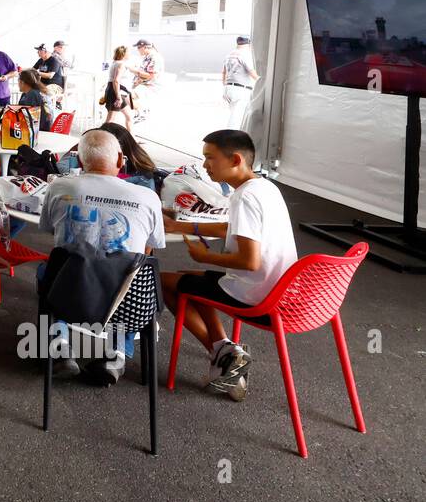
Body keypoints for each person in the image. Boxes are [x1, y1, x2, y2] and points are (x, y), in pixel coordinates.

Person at [161, 130, 297, 402]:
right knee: (192, 279)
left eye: (210, 158)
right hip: (281, 288)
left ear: (235, 159)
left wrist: (205, 256)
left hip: (257, 296)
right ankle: (224, 351)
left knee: (164, 280)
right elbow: (231, 228)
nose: (204, 166)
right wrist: (179, 225)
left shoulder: (243, 197)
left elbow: (249, 260)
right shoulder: (264, 187)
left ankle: (223, 352)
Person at [38, 129, 166, 383]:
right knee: (130, 276)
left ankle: (60, 344)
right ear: (120, 160)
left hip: (71, 292)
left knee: (51, 269)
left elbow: (49, 228)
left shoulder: (60, 186)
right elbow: (151, 247)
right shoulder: (147, 197)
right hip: (127, 302)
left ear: (80, 162)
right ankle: (116, 354)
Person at [222, 36, 259, 131]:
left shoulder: (229, 55)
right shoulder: (245, 55)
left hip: (229, 89)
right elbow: (252, 73)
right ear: (248, 44)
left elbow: (224, 73)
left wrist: (225, 88)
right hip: (240, 90)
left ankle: (231, 138)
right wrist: (262, 81)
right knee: (236, 120)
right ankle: (229, 141)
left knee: (235, 115)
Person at [103, 45, 137, 131]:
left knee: (129, 116)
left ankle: (132, 139)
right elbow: (116, 81)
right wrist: (118, 98)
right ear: (124, 54)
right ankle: (98, 138)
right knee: (110, 120)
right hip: (116, 93)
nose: (130, 54)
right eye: (128, 53)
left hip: (114, 91)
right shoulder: (120, 64)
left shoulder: (116, 63)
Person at [131, 39, 164, 121]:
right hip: (144, 84)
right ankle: (141, 112)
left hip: (150, 86)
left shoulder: (154, 58)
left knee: (126, 96)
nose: (137, 49)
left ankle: (142, 112)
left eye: (139, 47)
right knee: (126, 95)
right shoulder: (147, 57)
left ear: (145, 47)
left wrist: (134, 71)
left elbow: (151, 75)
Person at [15, 68, 53, 133]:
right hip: (43, 128)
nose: (17, 84)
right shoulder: (37, 91)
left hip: (38, 132)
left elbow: (28, 120)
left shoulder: (32, 95)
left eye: (18, 81)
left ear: (22, 82)